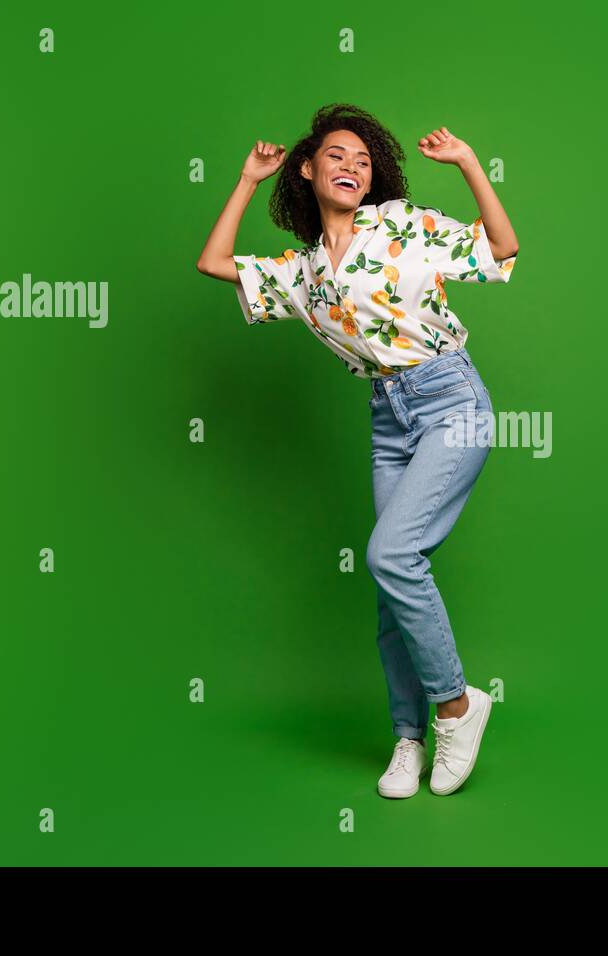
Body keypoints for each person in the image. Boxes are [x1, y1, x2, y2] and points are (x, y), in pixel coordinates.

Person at [196, 104, 519, 798]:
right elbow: (213, 261)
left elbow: (501, 248)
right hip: (388, 418)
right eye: (337, 156)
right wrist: (250, 178)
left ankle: (459, 706)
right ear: (307, 169)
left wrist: (467, 163)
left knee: (390, 555)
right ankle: (408, 740)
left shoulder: (399, 225)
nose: (352, 166)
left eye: (364, 160)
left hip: (450, 401)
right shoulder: (302, 272)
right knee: (390, 588)